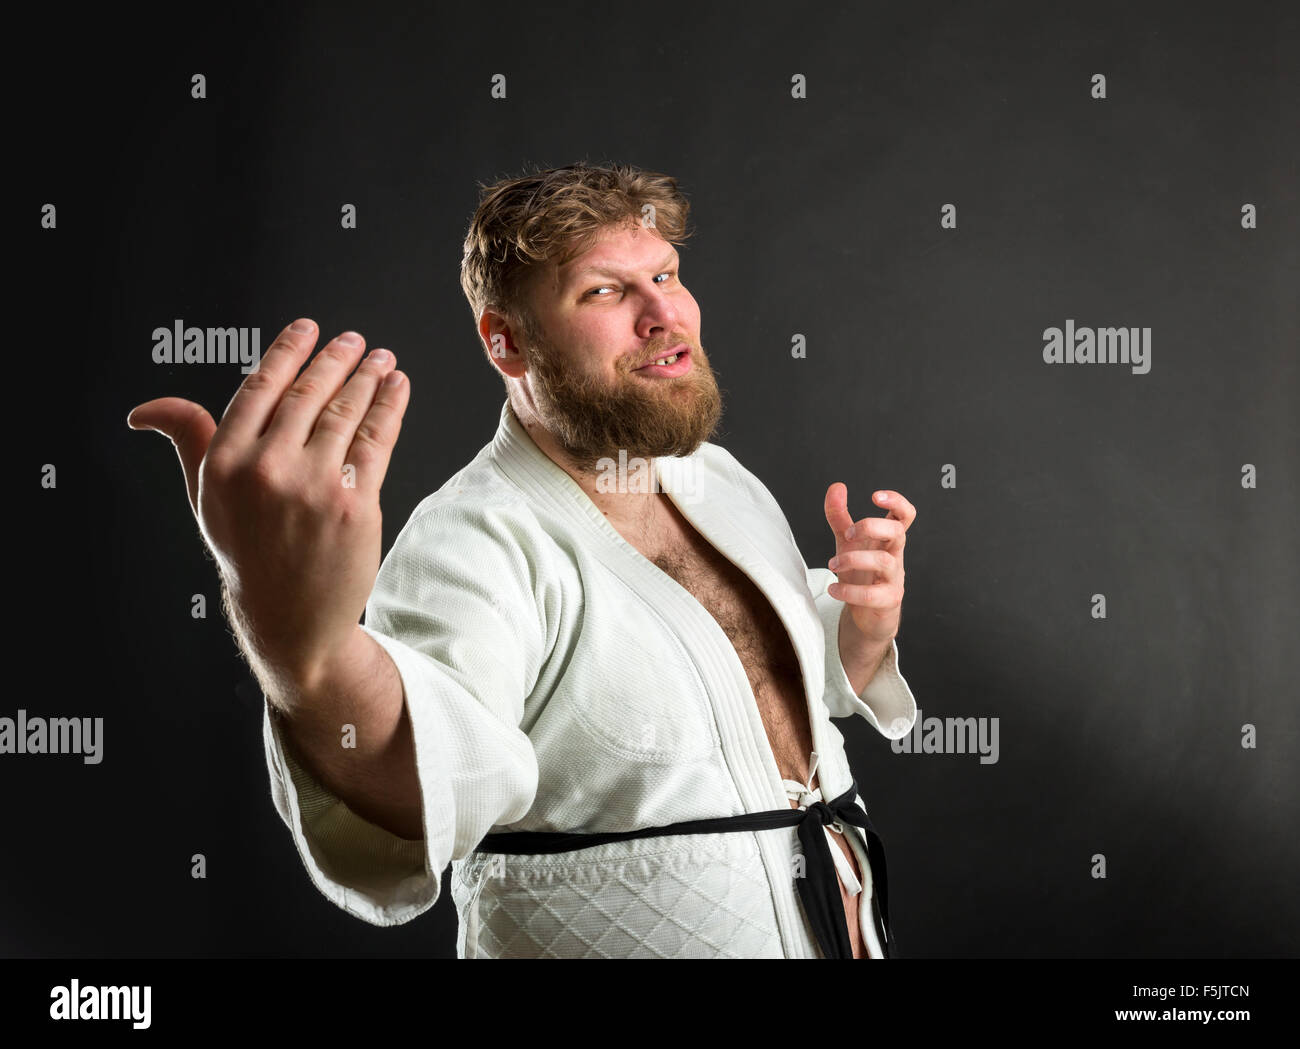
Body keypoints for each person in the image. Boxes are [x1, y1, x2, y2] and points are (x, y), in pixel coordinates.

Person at [127, 161, 918, 958]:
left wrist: (857, 628)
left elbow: (741, 699)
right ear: (506, 340)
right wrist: (304, 645)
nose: (662, 313)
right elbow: (433, 777)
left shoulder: (719, 479)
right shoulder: (473, 540)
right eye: (604, 292)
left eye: (665, 274)